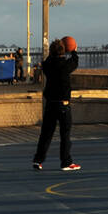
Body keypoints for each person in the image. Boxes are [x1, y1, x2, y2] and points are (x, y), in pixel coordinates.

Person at [32, 38, 80, 171]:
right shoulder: (65, 65)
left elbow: (48, 60)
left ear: (52, 52)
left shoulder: (47, 65)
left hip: (50, 104)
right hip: (63, 104)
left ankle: (38, 160)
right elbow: (75, 61)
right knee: (65, 134)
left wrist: (55, 51)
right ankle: (66, 162)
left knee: (46, 134)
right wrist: (74, 51)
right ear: (64, 51)